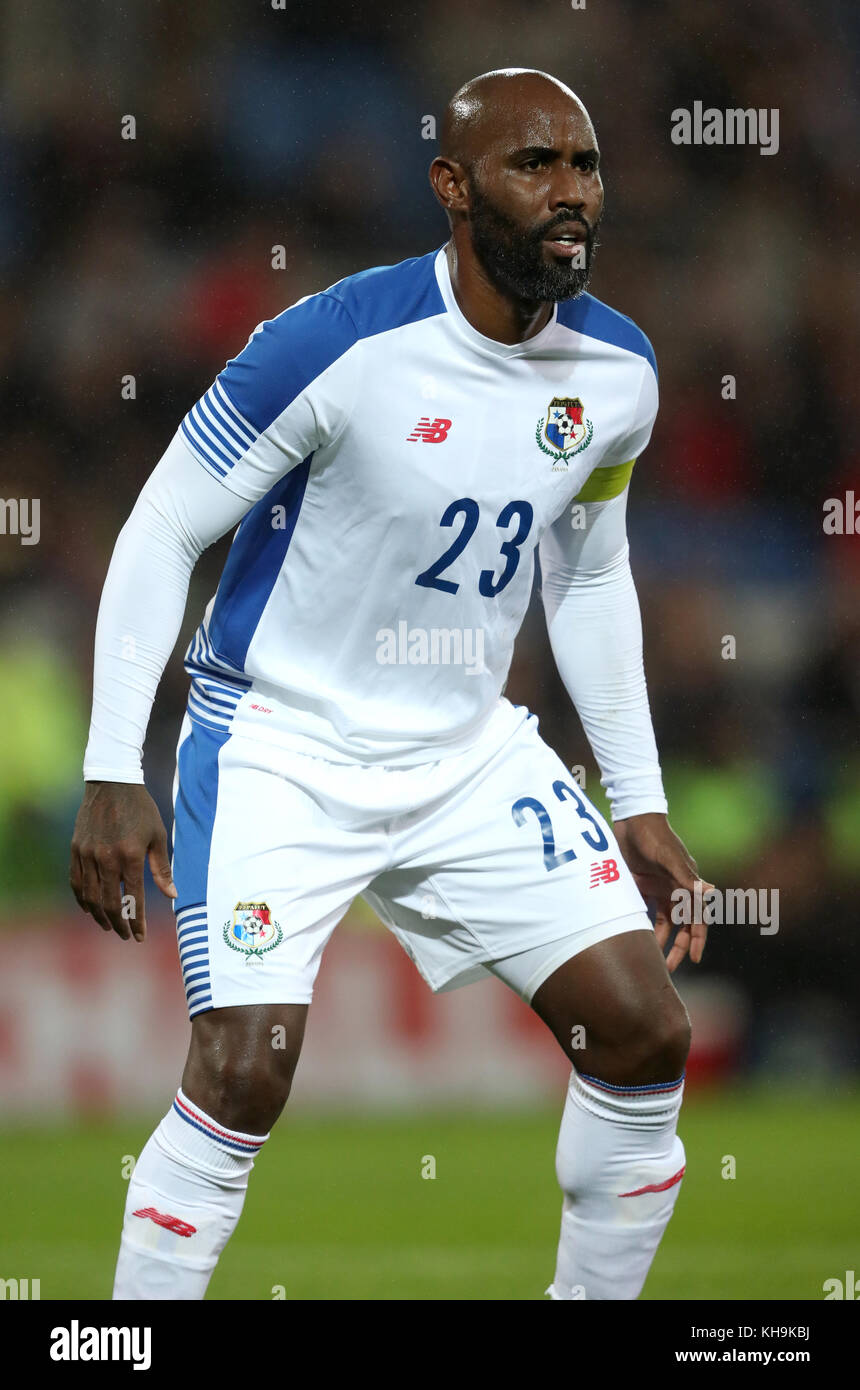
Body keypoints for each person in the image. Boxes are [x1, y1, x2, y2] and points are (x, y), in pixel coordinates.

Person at [71, 67, 710, 1301]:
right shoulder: (335, 343)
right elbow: (159, 530)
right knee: (245, 1067)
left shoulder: (615, 375)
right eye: (535, 166)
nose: (572, 193)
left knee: (644, 1035)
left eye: (584, 165)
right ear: (452, 186)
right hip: (278, 746)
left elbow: (586, 579)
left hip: (467, 752)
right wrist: (111, 766)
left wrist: (634, 798)